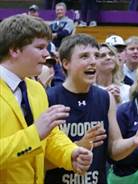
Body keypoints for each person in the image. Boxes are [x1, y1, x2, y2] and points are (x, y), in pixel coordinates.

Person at [44, 34, 138, 184]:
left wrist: (135, 141)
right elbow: (39, 162)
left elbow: (113, 150)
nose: (93, 61)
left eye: (96, 56)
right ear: (65, 63)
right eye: (84, 56)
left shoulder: (105, 98)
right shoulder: (48, 98)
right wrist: (76, 148)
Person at [0, 14, 93, 182]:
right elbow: (38, 133)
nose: (47, 54)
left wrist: (69, 153)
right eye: (40, 47)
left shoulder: (36, 88)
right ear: (14, 50)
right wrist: (34, 133)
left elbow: (49, 135)